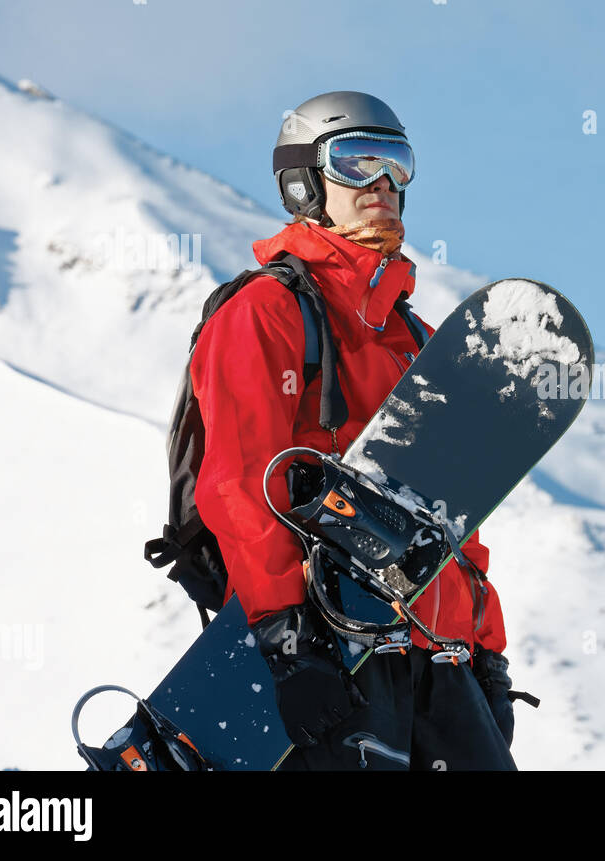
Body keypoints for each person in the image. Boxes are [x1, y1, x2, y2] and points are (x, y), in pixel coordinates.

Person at [190, 91, 516, 769]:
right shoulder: (266, 314)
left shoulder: (419, 339)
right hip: (329, 647)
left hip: (438, 660)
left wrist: (486, 650)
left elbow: (454, 515)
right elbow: (238, 484)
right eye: (357, 162)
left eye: (397, 164)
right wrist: (281, 635)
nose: (384, 185)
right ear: (303, 181)